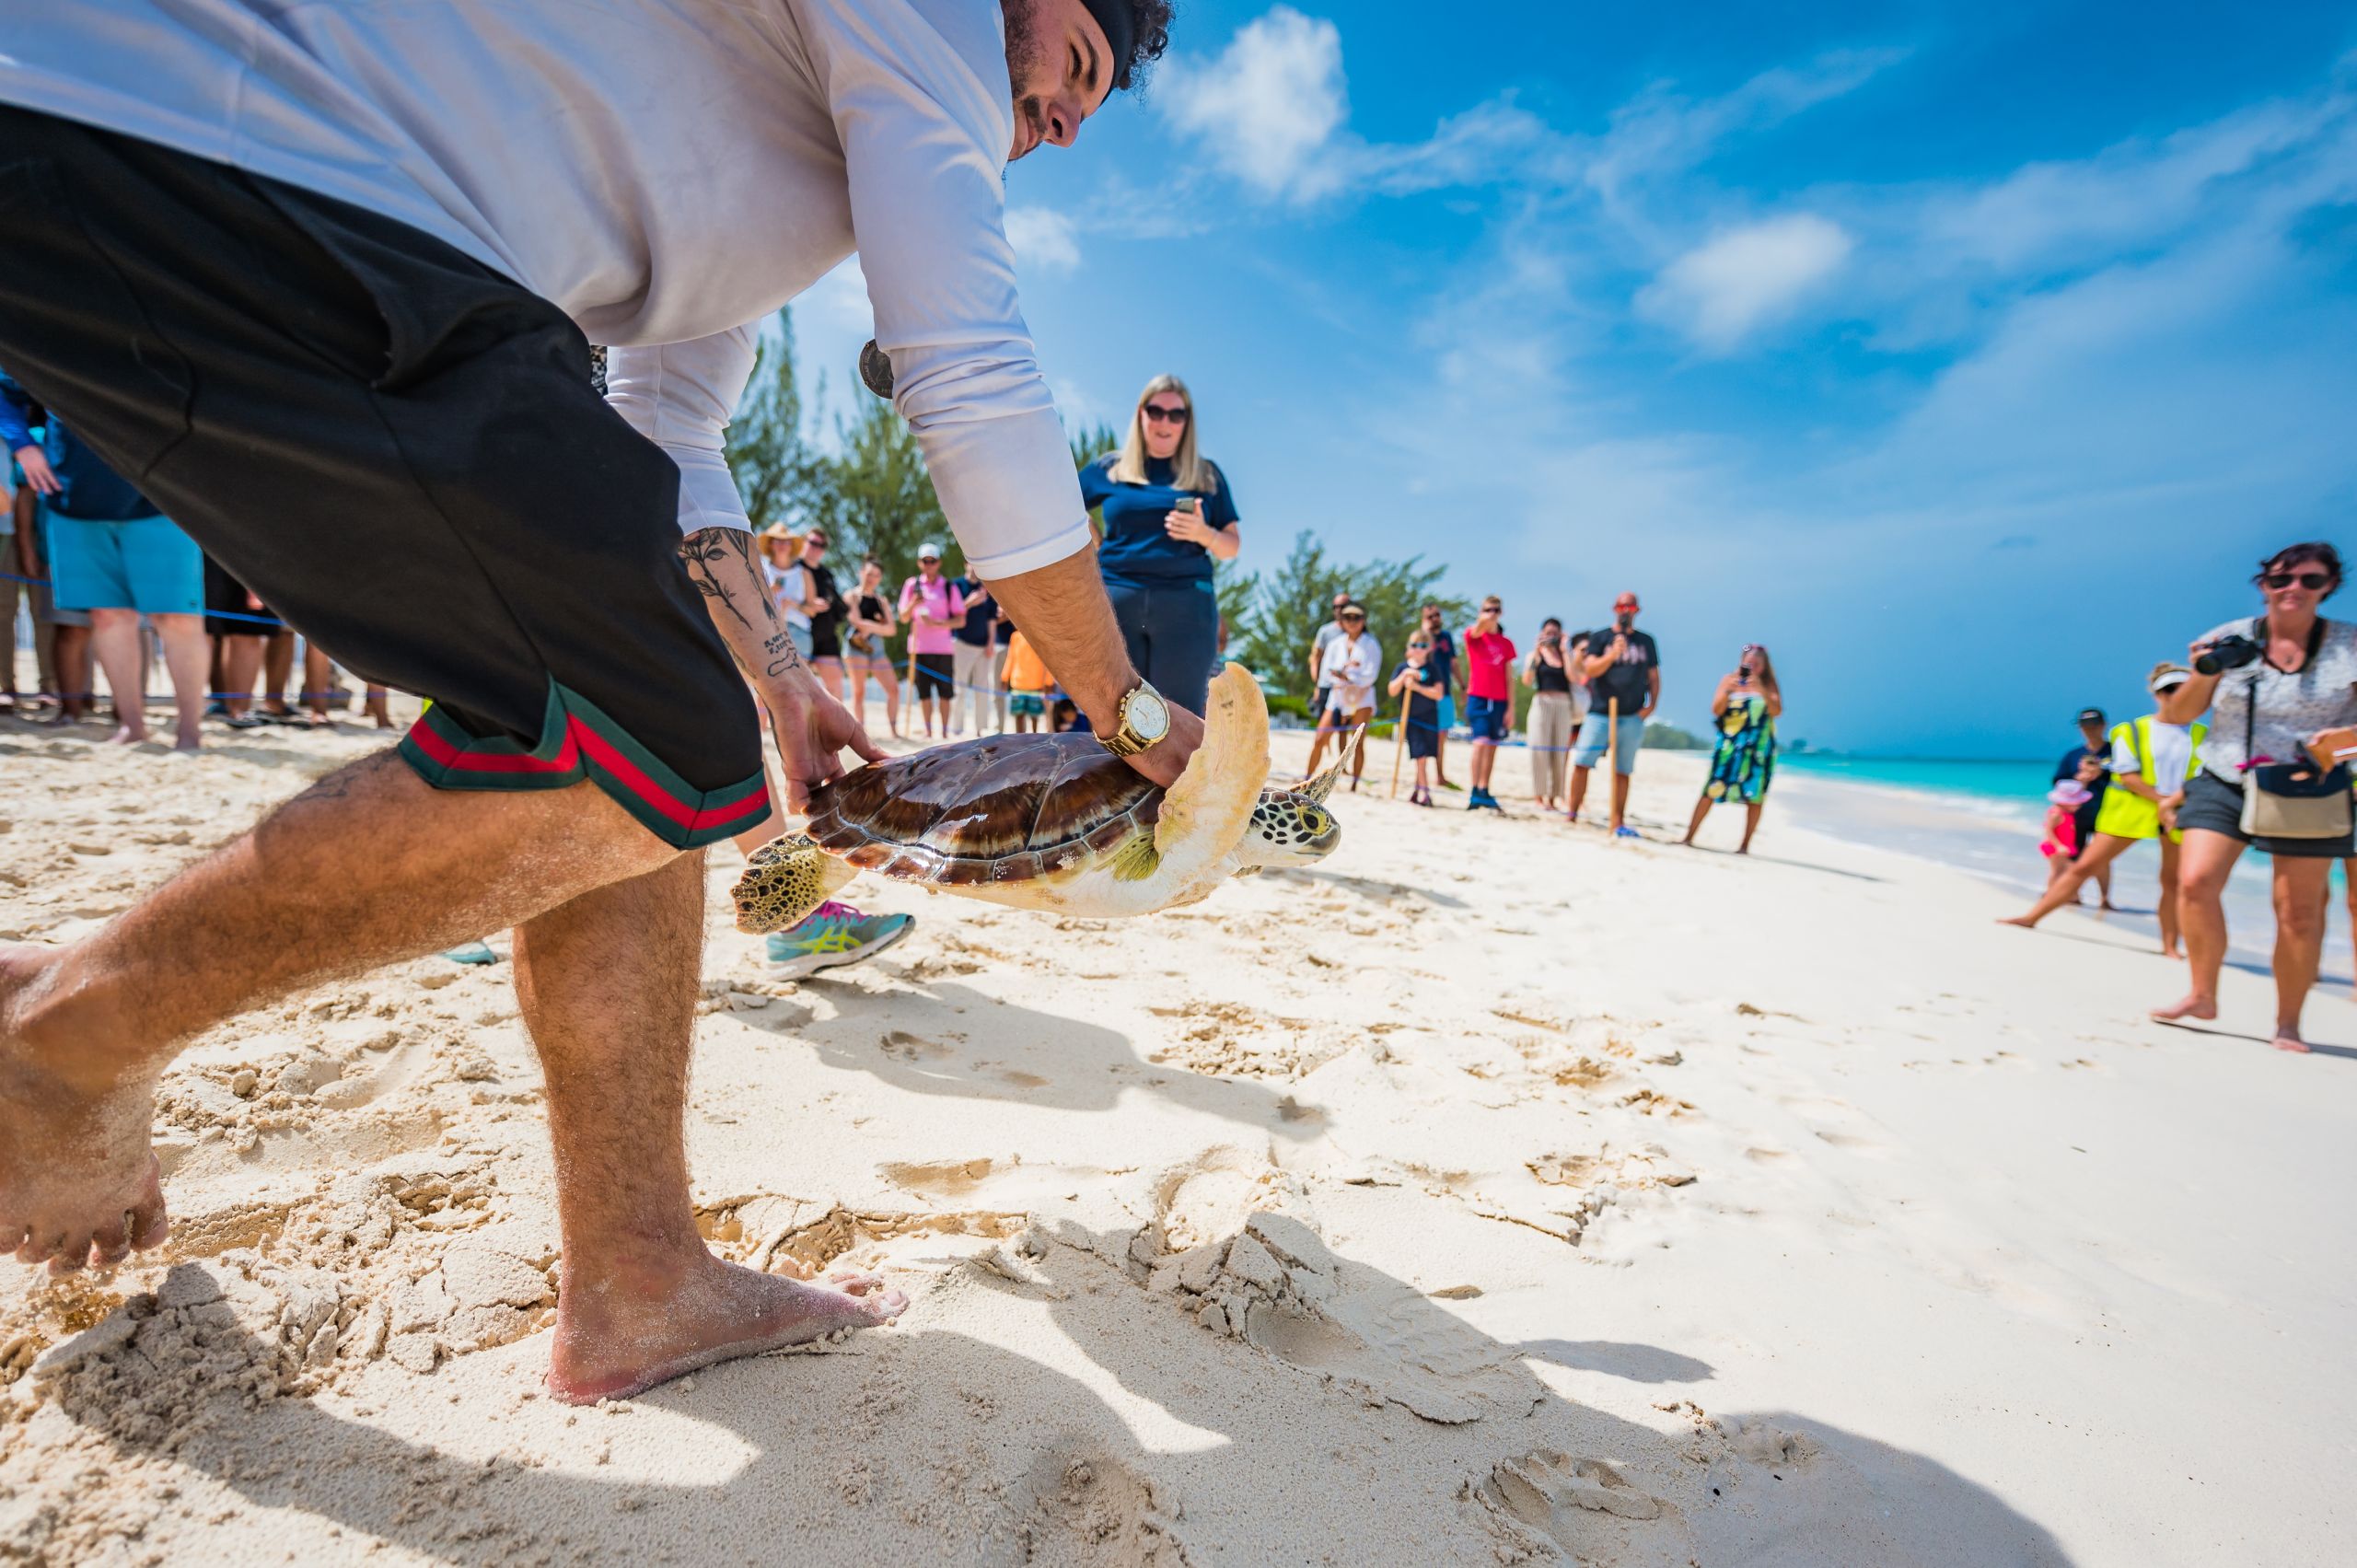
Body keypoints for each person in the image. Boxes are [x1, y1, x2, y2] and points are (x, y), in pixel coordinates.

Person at [0, 0, 1199, 1407]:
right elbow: (969, 369)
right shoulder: (927, 19)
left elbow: (665, 428)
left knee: (659, 700)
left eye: (1085, 115)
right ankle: (64, 1038)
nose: (1062, 120)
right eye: (1077, 68)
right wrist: (1124, 705)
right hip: (222, 144)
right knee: (652, 741)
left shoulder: (759, 130)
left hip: (365, 224)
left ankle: (635, 1276)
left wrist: (778, 672)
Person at [2152, 542, 2357, 1054]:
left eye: (2310, 581)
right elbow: (2178, 716)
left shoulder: (2350, 647)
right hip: (2226, 775)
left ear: (2329, 586)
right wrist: (2207, 672)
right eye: (2282, 579)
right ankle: (2202, 994)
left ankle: (2288, 1023)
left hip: (2309, 787)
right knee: (2195, 881)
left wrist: (2340, 740)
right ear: (2263, 584)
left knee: (2299, 911)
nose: (2294, 590)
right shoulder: (2226, 638)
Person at [0, 366, 209, 750]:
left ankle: (190, 732)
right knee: (108, 616)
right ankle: (132, 726)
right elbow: (4, 391)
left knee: (177, 619)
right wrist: (23, 445)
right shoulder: (49, 331)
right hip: (73, 499)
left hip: (162, 499)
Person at [2001, 665, 2205, 952]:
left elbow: (2205, 776)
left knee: (2172, 881)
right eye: (2168, 689)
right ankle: (2031, 917)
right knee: (2084, 866)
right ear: (2156, 694)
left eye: (2183, 689)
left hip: (2179, 813)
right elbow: (2129, 776)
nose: (2175, 695)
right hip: (2132, 810)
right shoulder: (2131, 730)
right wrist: (2165, 802)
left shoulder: (2204, 734)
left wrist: (2174, 804)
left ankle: (2170, 946)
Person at [1077, 375, 1240, 716]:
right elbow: (1062, 506)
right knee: (1114, 713)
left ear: (1187, 421)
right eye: (1156, 411)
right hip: (1116, 600)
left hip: (1186, 608)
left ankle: (1177, 774)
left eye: (1176, 415)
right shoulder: (1110, 469)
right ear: (1141, 413)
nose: (1165, 421)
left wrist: (1203, 533)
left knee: (1179, 716)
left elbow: (1231, 546)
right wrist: (1092, 537)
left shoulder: (1207, 474)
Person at [1568, 591, 1660, 839]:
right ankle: (1572, 812)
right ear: (1615, 608)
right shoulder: (1600, 638)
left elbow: (1653, 675)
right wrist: (1613, 653)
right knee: (1582, 761)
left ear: (1637, 610)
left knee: (1623, 769)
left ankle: (1617, 819)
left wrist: (1651, 706)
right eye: (1622, 606)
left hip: (1632, 714)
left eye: (1630, 606)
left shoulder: (1646, 642)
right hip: (1600, 711)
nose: (1626, 610)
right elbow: (1591, 669)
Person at [1681, 644, 1782, 854]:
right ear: (1742, 661)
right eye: (1749, 662)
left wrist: (1761, 689)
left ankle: (1744, 845)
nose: (1752, 666)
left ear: (1764, 666)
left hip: (1758, 749)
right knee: (1711, 788)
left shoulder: (1768, 684)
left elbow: (1776, 710)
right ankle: (1689, 837)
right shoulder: (1729, 680)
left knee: (1754, 795)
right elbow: (1716, 710)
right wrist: (1729, 690)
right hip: (1729, 746)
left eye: (1757, 663)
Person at [1304, 602, 1377, 790]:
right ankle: (1306, 778)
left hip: (1362, 698)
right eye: (1347, 618)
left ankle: (1354, 784)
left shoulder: (1371, 644)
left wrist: (1347, 676)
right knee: (1320, 738)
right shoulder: (1335, 644)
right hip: (1337, 695)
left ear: (1363, 620)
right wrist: (1345, 674)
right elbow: (1326, 671)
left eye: (1356, 618)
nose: (1352, 622)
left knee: (1358, 742)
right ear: (1342, 620)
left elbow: (1371, 674)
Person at [900, 544, 966, 738]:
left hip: (944, 649)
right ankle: (928, 731)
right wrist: (913, 603)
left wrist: (938, 623)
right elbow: (903, 617)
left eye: (932, 561)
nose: (929, 565)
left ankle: (944, 732)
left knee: (945, 692)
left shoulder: (948, 586)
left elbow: (961, 619)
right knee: (924, 692)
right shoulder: (912, 585)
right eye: (925, 561)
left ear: (939, 563)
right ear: (920, 563)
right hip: (918, 647)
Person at [2053, 708, 2117, 910]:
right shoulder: (2073, 755)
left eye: (2094, 725)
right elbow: (2057, 782)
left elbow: (2131, 778)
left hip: (2108, 811)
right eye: (2085, 726)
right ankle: (2073, 894)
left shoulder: (2116, 752)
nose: (2090, 730)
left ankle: (2105, 898)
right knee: (2074, 854)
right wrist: (2077, 779)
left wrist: (2103, 774)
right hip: (2076, 814)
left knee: (2102, 856)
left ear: (2103, 725)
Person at [1461, 597, 1516, 812]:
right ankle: (1474, 789)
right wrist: (1484, 619)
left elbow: (1509, 676)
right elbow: (1475, 631)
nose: (1492, 612)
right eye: (1488, 609)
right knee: (1480, 743)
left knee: (1492, 746)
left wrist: (1511, 708)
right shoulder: (1474, 636)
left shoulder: (1506, 643)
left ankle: (1484, 789)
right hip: (1478, 697)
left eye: (1496, 609)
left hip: (1500, 700)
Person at [1522, 619, 1581, 811]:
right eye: (1548, 632)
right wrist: (1537, 651)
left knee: (1560, 752)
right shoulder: (1535, 655)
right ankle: (1538, 796)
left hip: (1563, 705)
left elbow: (1575, 678)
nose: (1552, 636)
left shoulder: (1566, 657)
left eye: (1555, 633)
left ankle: (1555, 797)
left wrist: (1565, 650)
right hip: (1542, 703)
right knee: (1539, 750)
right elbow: (1527, 680)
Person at [845, 558, 904, 739]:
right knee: (859, 691)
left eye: (877, 575)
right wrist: (878, 626)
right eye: (869, 574)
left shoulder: (881, 600)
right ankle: (860, 733)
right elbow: (855, 621)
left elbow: (892, 629)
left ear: (880, 578)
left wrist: (869, 627)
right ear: (861, 572)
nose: (872, 578)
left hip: (876, 647)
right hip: (855, 646)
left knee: (893, 689)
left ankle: (894, 731)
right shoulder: (851, 595)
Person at [1389, 633, 1446, 807]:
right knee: (1419, 755)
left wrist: (1417, 687)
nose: (1418, 649)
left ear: (1428, 648)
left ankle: (1416, 789)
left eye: (1422, 646)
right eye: (1415, 645)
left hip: (1429, 718)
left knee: (1425, 756)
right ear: (1408, 647)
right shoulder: (1402, 667)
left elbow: (1439, 694)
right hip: (1411, 719)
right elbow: (1392, 691)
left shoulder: (1432, 669)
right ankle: (1425, 792)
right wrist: (1404, 676)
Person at [949, 569, 1003, 736]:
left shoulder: (987, 586)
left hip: (983, 648)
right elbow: (951, 613)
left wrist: (990, 644)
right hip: (962, 644)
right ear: (965, 564)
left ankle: (980, 728)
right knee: (959, 688)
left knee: (982, 689)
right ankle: (956, 728)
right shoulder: (956, 585)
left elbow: (992, 619)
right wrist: (970, 602)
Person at [800, 528, 848, 710]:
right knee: (799, 688)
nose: (816, 548)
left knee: (835, 686)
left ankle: (837, 729)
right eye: (812, 543)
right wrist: (809, 604)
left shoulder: (827, 574)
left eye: (821, 545)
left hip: (827, 634)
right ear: (803, 542)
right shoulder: (794, 568)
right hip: (801, 634)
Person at [2038, 761, 2103, 891]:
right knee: (2057, 871)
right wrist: (2058, 846)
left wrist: (2085, 781)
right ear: (2065, 802)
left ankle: (2058, 892)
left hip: (2065, 845)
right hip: (2057, 847)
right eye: (2077, 803)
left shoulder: (2066, 812)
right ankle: (2050, 893)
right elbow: (2048, 830)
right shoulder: (2056, 814)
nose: (2079, 805)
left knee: (2064, 870)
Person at [756, 523, 818, 660]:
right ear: (771, 544)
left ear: (791, 545)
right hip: (769, 630)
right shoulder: (760, 570)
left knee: (801, 681)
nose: (782, 544)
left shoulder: (804, 573)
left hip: (799, 632)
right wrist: (769, 591)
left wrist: (793, 604)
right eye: (778, 540)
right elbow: (751, 603)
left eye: (786, 541)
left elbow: (812, 611)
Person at [1419, 603, 1461, 791]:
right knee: (1423, 734)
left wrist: (1462, 684)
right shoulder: (1420, 638)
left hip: (1444, 693)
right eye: (1430, 616)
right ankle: (1421, 776)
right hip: (1424, 693)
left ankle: (1439, 775)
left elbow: (1454, 663)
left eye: (1437, 615)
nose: (1435, 618)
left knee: (1441, 736)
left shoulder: (1447, 637)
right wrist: (1426, 633)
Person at [1308, 592, 1352, 727]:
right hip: (1326, 684)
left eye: (1342, 606)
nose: (1338, 609)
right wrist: (1317, 685)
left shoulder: (1355, 631)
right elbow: (1315, 658)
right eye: (1335, 606)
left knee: (1344, 729)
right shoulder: (1325, 631)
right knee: (1323, 728)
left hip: (1348, 686)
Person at [1004, 626, 1051, 734]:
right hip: (1018, 684)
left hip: (1035, 685)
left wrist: (1048, 682)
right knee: (1019, 715)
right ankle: (1019, 739)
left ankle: (1033, 739)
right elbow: (1011, 657)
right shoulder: (1015, 636)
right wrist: (1005, 677)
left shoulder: (1040, 638)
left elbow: (1047, 662)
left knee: (1034, 716)